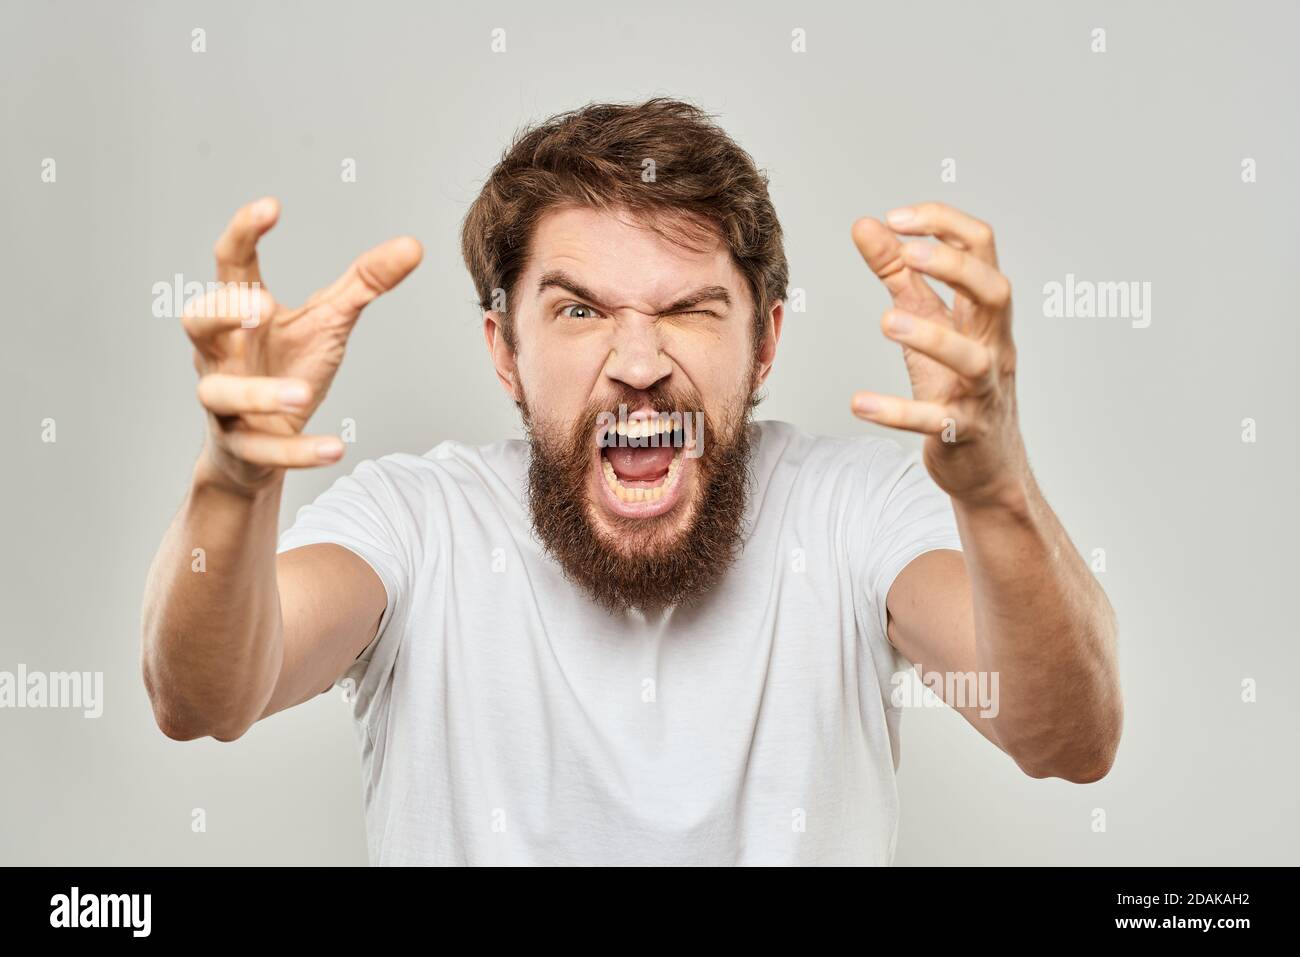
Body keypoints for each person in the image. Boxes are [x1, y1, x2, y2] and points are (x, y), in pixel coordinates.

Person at [141, 98, 1121, 865]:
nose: (639, 360)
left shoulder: (849, 511)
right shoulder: (419, 524)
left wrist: (995, 494)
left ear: (766, 341)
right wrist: (232, 485)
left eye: (691, 308)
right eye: (578, 312)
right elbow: (204, 695)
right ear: (505, 351)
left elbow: (1066, 737)